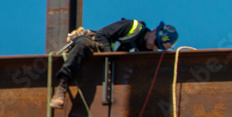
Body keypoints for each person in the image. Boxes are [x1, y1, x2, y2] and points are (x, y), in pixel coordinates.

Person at [50, 19, 178, 109]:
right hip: (99, 49)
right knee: (83, 43)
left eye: (158, 46)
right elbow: (102, 34)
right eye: (156, 42)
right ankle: (63, 85)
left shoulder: (146, 53)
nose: (154, 46)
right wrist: (109, 56)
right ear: (155, 31)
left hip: (112, 74)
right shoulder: (132, 27)